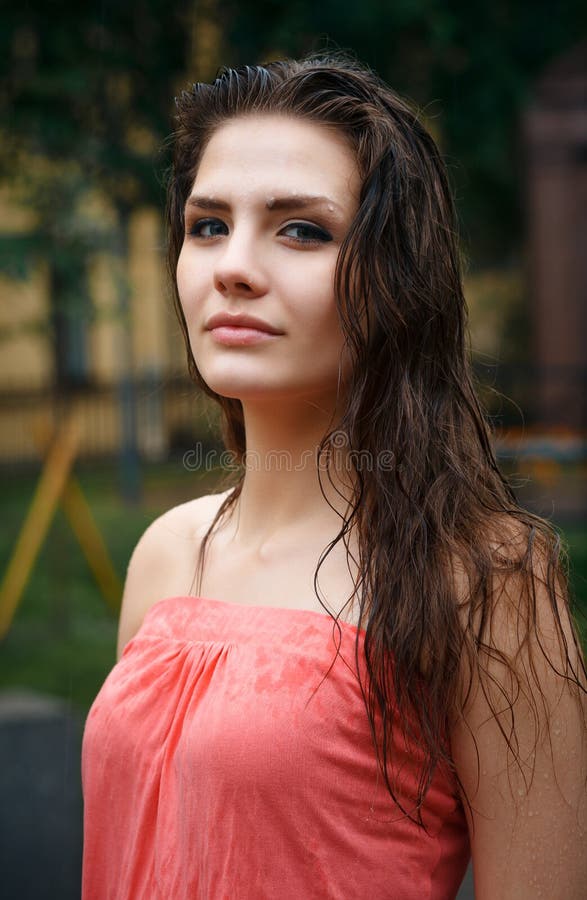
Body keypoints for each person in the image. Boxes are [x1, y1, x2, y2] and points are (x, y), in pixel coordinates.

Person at [81, 54, 587, 899]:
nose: (231, 266)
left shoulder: (483, 580)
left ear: (394, 279)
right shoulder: (167, 555)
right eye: (208, 225)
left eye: (300, 229)